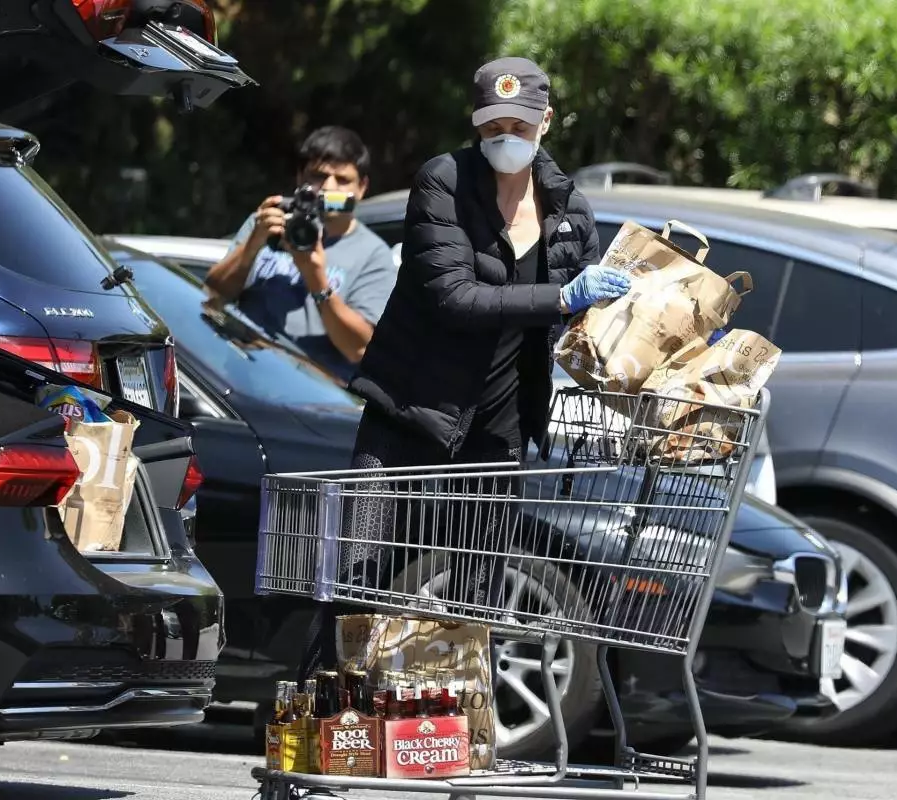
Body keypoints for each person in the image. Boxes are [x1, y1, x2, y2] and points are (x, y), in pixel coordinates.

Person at [297, 56, 631, 680]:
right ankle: (323, 732)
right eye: (493, 123)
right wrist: (562, 298)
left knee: (471, 599)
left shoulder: (569, 208)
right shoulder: (441, 182)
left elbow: (587, 329)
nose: (507, 136)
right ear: (475, 124)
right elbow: (455, 298)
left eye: (521, 123)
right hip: (408, 420)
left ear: (547, 122)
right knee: (356, 586)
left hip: (496, 435)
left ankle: (455, 751)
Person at [204, 126, 396, 383]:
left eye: (342, 180)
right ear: (299, 178)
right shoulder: (267, 224)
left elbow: (358, 349)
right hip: (243, 384)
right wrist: (252, 245)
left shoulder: (374, 255)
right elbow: (212, 295)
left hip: (311, 401)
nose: (328, 188)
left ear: (362, 187)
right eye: (318, 176)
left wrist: (317, 281)